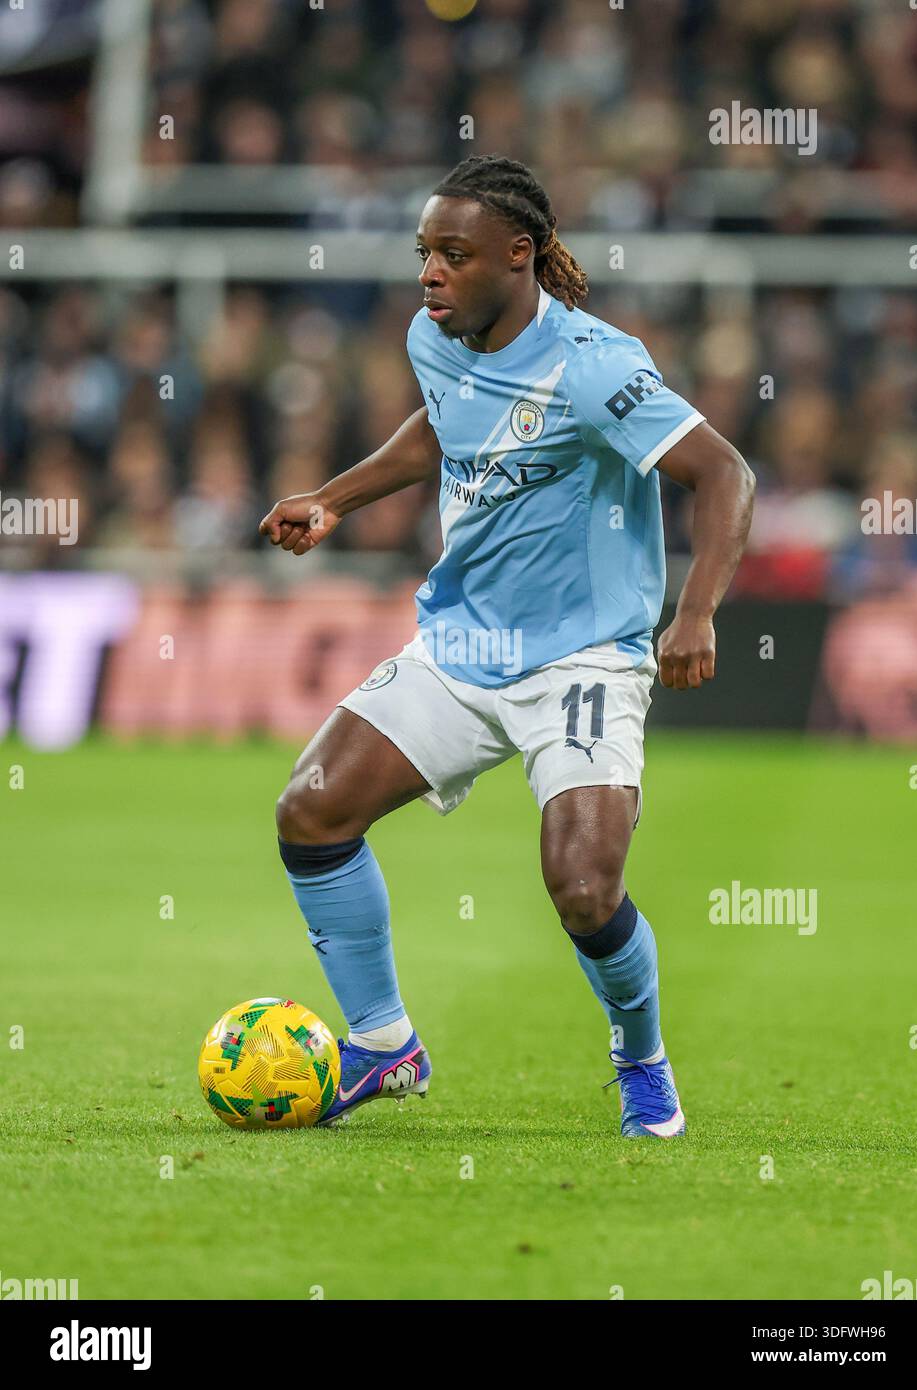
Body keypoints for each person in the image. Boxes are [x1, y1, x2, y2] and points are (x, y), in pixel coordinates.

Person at [260, 155, 755, 1137]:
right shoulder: (437, 337)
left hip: (583, 657)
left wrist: (695, 611)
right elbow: (441, 429)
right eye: (424, 254)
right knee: (310, 813)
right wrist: (331, 498)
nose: (429, 274)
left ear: (517, 254)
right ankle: (383, 1042)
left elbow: (725, 472)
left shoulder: (597, 363)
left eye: (454, 254)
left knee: (582, 888)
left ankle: (640, 1054)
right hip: (462, 645)